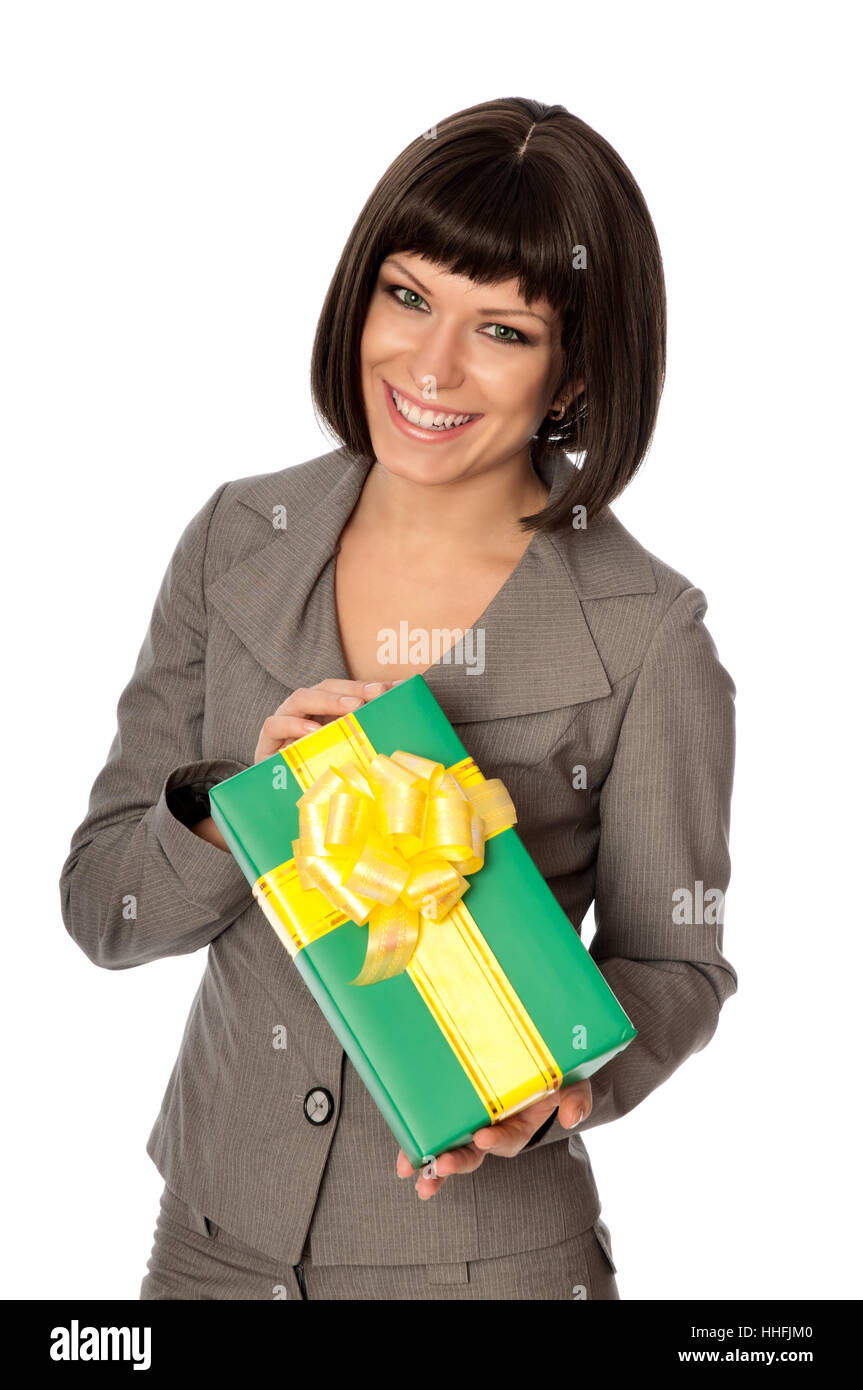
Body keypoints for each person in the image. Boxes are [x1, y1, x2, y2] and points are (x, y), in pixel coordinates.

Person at [59, 96, 737, 1301]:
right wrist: (236, 808)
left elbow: (672, 964)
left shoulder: (648, 634)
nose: (429, 368)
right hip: (210, 1245)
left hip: (482, 1265)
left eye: (502, 331)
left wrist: (563, 1085)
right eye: (408, 296)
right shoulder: (236, 539)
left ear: (577, 364)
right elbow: (104, 910)